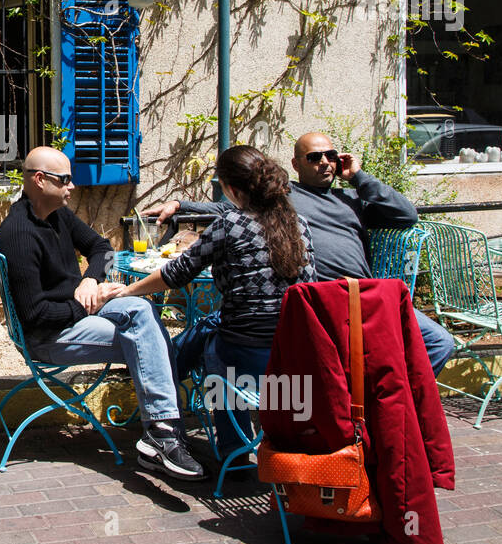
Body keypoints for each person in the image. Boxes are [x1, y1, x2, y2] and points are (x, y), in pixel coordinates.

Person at [145, 131, 455, 374]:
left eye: (331, 155)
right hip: (318, 300)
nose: (325, 162)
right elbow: (229, 208)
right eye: (314, 156)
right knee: (221, 326)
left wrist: (359, 177)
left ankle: (387, 403)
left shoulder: (352, 199)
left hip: (367, 297)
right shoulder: (283, 197)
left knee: (440, 342)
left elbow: (407, 216)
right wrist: (181, 206)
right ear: (296, 165)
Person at [0, 146, 205, 481]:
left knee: (141, 308)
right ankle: (165, 431)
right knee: (147, 332)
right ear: (39, 180)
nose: (72, 187)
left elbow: (102, 248)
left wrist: (90, 280)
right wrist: (85, 304)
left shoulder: (57, 214)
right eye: (64, 180)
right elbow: (35, 315)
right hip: (49, 337)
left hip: (77, 316)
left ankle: (162, 428)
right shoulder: (19, 234)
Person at [107, 145, 315, 457]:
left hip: (247, 348)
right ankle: (172, 414)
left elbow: (176, 273)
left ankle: (223, 447)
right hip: (296, 348)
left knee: (211, 346)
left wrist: (128, 291)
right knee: (208, 331)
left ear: (230, 189)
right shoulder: (298, 225)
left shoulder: (230, 226)